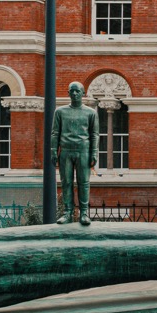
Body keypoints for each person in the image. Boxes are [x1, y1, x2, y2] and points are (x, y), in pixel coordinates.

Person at [52, 81, 99, 224]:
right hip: (65, 151)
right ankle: (68, 212)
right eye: (71, 91)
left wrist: (94, 152)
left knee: (83, 182)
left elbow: (94, 134)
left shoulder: (91, 112)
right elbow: (55, 133)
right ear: (68, 93)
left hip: (83, 151)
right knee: (66, 182)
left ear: (83, 93)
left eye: (77, 91)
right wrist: (53, 150)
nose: (74, 93)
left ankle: (84, 212)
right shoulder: (60, 112)